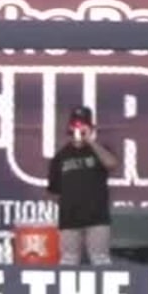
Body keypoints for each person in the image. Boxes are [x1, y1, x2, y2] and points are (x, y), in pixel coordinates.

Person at [46, 105, 119, 266]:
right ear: (69, 128)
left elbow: (112, 163)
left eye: (83, 125)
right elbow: (53, 189)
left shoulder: (100, 150)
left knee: (100, 259)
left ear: (91, 128)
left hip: (97, 217)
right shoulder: (61, 156)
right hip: (70, 218)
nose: (78, 129)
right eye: (75, 125)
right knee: (68, 260)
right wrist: (67, 205)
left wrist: (90, 141)